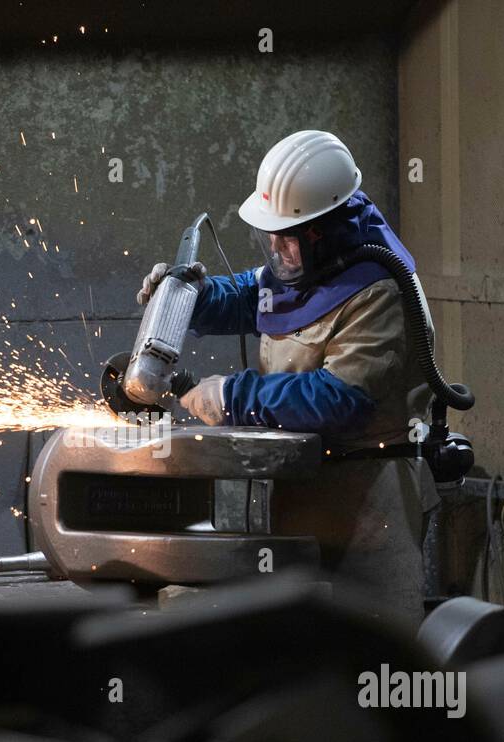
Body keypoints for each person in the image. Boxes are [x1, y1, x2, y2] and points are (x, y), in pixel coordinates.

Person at [137, 129, 439, 626]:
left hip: (368, 499)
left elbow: (340, 398)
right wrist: (190, 299)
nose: (275, 250)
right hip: (303, 487)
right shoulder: (308, 264)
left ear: (325, 230)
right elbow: (253, 292)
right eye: (269, 237)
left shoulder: (378, 288)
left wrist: (235, 395)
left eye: (286, 238)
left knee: (373, 652)